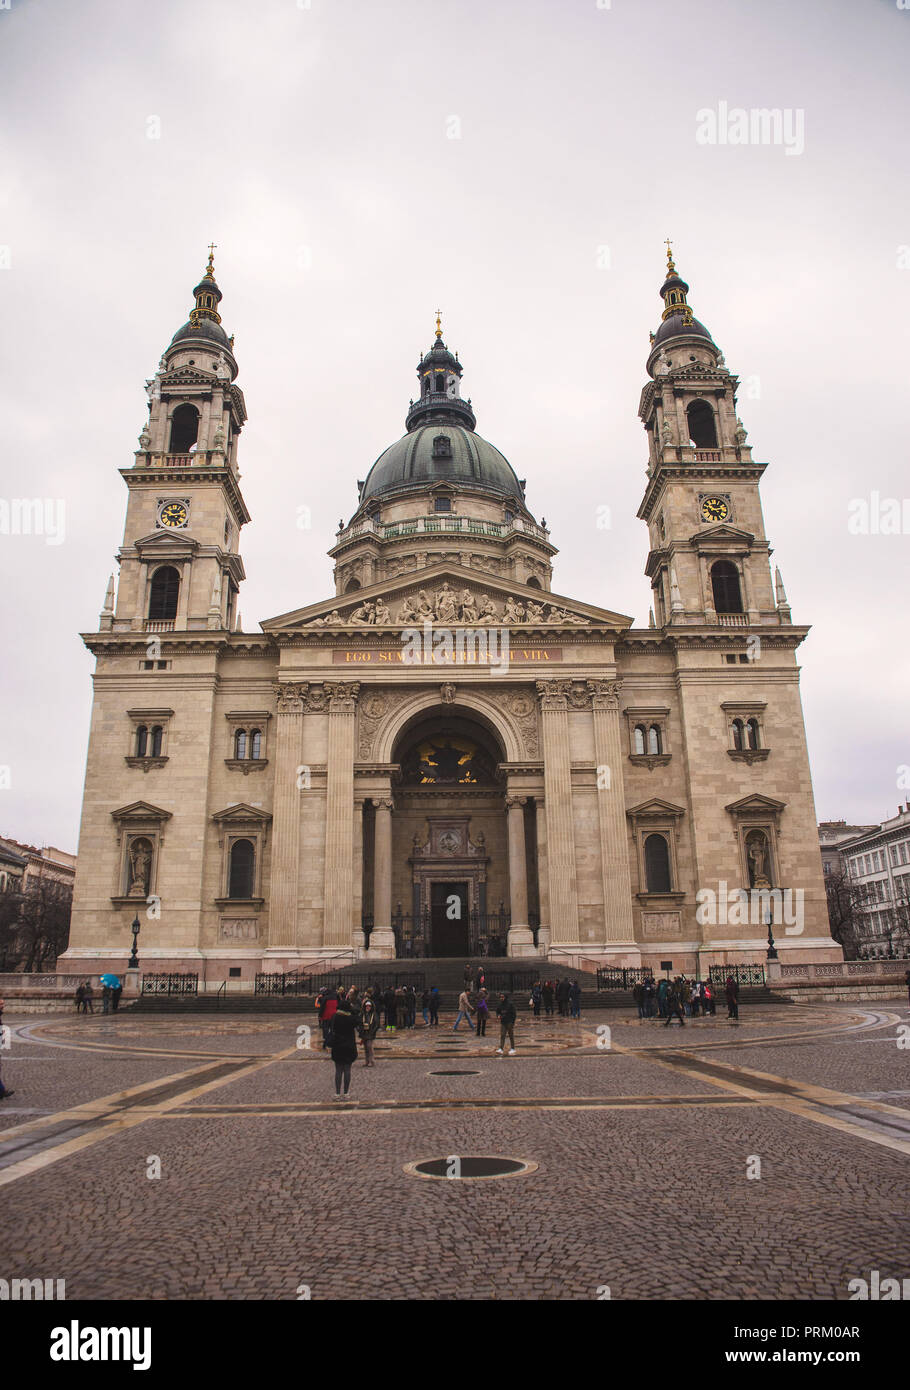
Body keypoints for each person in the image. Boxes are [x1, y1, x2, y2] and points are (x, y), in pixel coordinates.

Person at [330, 989, 359, 1099]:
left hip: (337, 1045)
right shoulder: (351, 1019)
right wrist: (352, 1009)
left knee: (338, 1070)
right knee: (347, 1070)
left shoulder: (335, 1017)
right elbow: (358, 1019)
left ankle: (337, 1093)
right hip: (349, 1046)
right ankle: (346, 1093)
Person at [359, 987, 379, 1068]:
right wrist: (360, 1030)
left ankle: (371, 1061)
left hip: (370, 1032)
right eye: (366, 1006)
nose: (368, 1007)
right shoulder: (362, 1014)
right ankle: (367, 1061)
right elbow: (359, 1023)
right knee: (366, 1048)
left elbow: (376, 1024)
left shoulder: (374, 1014)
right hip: (364, 1033)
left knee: (369, 1047)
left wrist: (373, 1031)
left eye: (369, 1006)